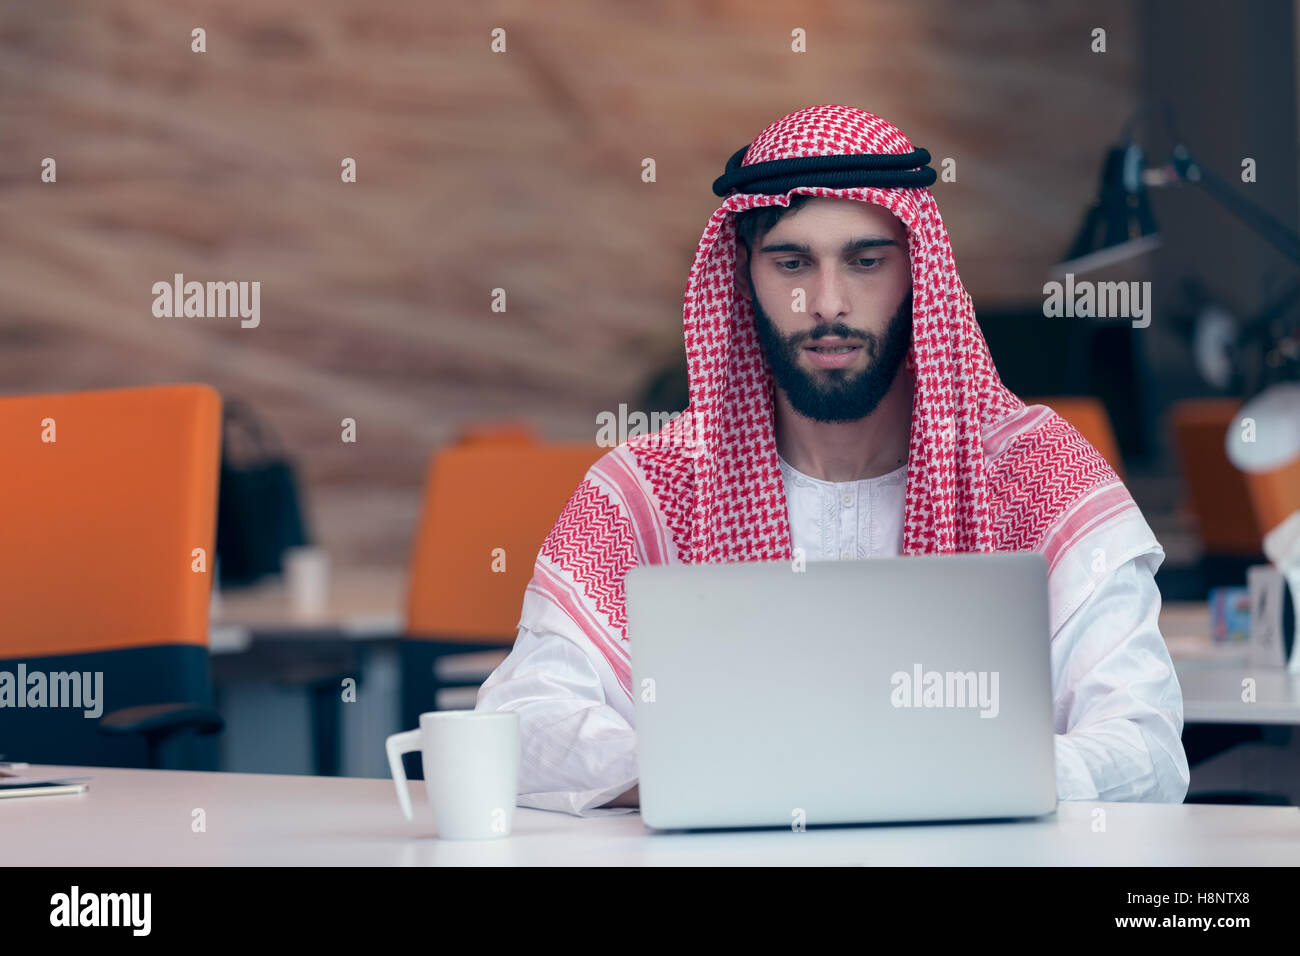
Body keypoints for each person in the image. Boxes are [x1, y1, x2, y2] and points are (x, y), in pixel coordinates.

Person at [475, 104, 1190, 815]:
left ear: (918, 273)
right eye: (791, 263)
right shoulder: (649, 490)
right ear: (745, 278)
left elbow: (1144, 752)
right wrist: (713, 769)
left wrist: (930, 770)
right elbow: (523, 724)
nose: (827, 302)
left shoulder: (1040, 476)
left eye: (866, 261)